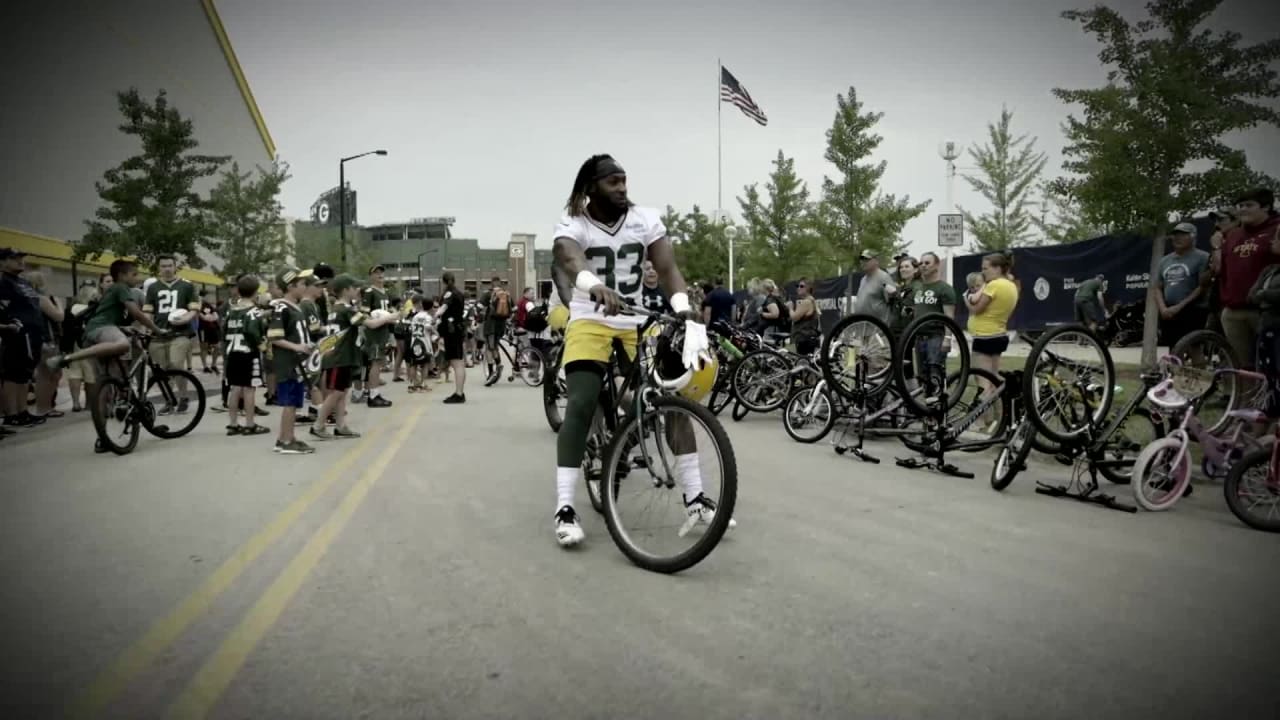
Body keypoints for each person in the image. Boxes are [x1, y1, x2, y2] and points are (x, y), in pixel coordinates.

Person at [548, 153, 725, 547]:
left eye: (625, 180)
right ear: (592, 187)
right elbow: (570, 257)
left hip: (634, 320)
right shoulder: (574, 222)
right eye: (613, 183)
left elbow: (666, 269)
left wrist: (685, 311)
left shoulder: (645, 218)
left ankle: (695, 497)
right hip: (589, 317)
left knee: (668, 398)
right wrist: (593, 285)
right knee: (580, 402)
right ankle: (564, 507)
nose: (623, 188)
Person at [47, 259, 165, 451]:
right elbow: (136, 314)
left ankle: (103, 438)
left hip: (94, 334)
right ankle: (67, 358)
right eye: (134, 274)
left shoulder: (112, 292)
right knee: (121, 345)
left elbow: (112, 315)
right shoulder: (121, 288)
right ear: (122, 276)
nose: (138, 277)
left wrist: (128, 329)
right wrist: (156, 329)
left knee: (109, 384)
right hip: (102, 330)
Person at [1219, 187, 1280, 369]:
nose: (1243, 209)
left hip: (1269, 312)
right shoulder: (1233, 235)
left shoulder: (1277, 228)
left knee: (1272, 365)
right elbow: (1223, 271)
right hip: (1233, 310)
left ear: (1266, 207)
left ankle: (1271, 398)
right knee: (1241, 368)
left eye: (1249, 205)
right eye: (1240, 205)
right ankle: (1245, 399)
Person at [0, 251, 63, 427]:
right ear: (3, 262)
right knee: (13, 375)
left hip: (34, 335)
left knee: (24, 375)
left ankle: (22, 411)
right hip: (17, 334)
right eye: (15, 259)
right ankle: (12, 414)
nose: (21, 262)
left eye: (22, 259)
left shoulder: (22, 283)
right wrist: (9, 325)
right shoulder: (3, 282)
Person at [311, 273, 372, 440]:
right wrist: (393, 317)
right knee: (336, 392)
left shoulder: (335, 310)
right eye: (354, 287)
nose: (358, 290)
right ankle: (318, 424)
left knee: (342, 391)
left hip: (338, 356)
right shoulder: (346, 310)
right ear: (346, 290)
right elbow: (370, 323)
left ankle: (341, 426)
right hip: (340, 357)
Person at [266, 267, 315, 454]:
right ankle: (286, 441)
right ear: (290, 286)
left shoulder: (296, 306)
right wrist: (297, 347)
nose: (305, 287)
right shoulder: (281, 307)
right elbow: (275, 337)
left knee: (295, 402)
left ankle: (287, 436)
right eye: (302, 284)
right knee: (290, 403)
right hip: (288, 363)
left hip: (297, 363)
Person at [144, 254, 199, 414]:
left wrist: (184, 319)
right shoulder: (153, 288)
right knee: (162, 370)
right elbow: (148, 311)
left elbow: (194, 309)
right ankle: (169, 399)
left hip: (180, 333)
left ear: (175, 267)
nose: (167, 269)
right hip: (159, 334)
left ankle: (183, 397)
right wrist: (149, 327)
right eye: (163, 266)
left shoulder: (186, 286)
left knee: (176, 365)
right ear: (158, 268)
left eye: (169, 265)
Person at [221, 274, 270, 437]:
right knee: (249, 389)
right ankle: (250, 423)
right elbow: (253, 332)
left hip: (232, 352)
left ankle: (233, 424)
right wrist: (263, 348)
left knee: (234, 388)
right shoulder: (254, 311)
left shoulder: (231, 310)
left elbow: (224, 330)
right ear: (256, 292)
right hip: (248, 353)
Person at [965, 252, 1019, 397]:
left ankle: (983, 419)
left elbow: (976, 309)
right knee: (994, 380)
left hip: (984, 336)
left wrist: (966, 299)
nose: (983, 272)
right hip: (999, 334)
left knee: (983, 383)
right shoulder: (1011, 285)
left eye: (985, 269)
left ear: (997, 268)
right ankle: (998, 417)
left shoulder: (993, 285)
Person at [1155, 222, 1211, 350]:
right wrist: (1163, 308)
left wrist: (1179, 307)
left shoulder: (1203, 257)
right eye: (1175, 235)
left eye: (1182, 235)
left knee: (1194, 349)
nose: (1177, 238)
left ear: (1193, 237)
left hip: (1193, 309)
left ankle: (1197, 369)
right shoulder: (1164, 260)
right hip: (1168, 311)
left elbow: (1203, 286)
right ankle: (1177, 370)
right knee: (1174, 349)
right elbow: (1157, 287)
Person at [909, 252, 958, 396]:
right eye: (921, 263)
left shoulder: (944, 289)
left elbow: (949, 317)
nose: (923, 266)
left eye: (927, 263)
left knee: (935, 375)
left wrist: (948, 339)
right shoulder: (918, 288)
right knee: (923, 378)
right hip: (919, 338)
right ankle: (927, 412)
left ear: (937, 265)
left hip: (936, 337)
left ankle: (939, 413)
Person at [1248, 224, 1280, 415]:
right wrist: (1266, 294)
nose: (1272, 241)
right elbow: (1251, 295)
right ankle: (1269, 416)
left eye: (1277, 238)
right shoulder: (1270, 270)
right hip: (1266, 326)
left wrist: (1264, 294)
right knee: (1266, 373)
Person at [356, 264, 399, 407]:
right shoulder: (369, 291)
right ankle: (373, 395)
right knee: (375, 362)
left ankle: (374, 392)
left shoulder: (384, 292)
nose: (380, 274)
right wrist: (371, 323)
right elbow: (364, 313)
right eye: (376, 272)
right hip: (374, 332)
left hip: (383, 330)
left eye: (382, 272)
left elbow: (388, 311)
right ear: (371, 276)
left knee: (378, 363)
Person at [1205, 209, 1238, 334]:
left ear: (1236, 221)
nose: (1216, 225)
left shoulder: (1240, 242)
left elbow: (1218, 269)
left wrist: (1216, 247)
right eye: (1215, 221)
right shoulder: (1219, 242)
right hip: (1217, 302)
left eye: (1221, 220)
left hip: (1235, 303)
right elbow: (1210, 272)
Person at [437, 272, 468, 403]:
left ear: (443, 281)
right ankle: (460, 392)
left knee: (457, 363)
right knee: (459, 362)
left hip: (451, 331)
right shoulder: (459, 294)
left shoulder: (449, 293)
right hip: (458, 330)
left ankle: (459, 393)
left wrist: (435, 316)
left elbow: (443, 308)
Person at [854, 250, 898, 326]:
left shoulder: (883, 277)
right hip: (863, 328)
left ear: (876, 261)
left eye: (866, 259)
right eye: (862, 259)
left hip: (879, 329)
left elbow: (893, 303)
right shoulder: (863, 279)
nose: (863, 262)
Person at [791, 278, 821, 355]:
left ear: (808, 288)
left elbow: (794, 318)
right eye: (797, 286)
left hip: (803, 338)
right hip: (809, 337)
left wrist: (790, 308)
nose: (798, 288)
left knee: (801, 362)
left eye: (801, 286)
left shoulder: (806, 302)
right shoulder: (812, 300)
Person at [198, 291, 221, 374]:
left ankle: (213, 364)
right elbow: (202, 317)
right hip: (203, 329)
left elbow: (216, 316)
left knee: (217, 346)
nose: (209, 298)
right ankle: (205, 366)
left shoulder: (209, 305)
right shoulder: (198, 305)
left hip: (212, 328)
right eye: (207, 296)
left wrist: (211, 317)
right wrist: (208, 317)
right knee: (204, 347)